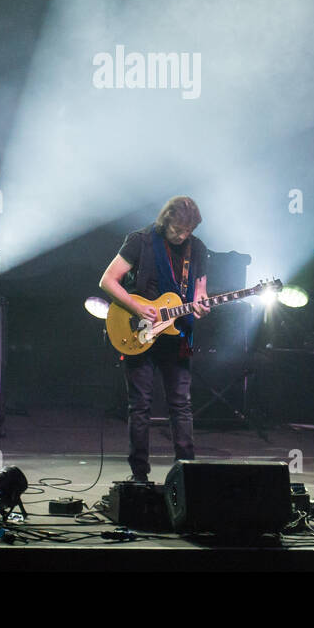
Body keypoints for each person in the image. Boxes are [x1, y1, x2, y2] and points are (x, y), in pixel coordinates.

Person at [100, 196, 210, 483]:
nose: (182, 236)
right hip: (139, 330)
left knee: (181, 405)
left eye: (187, 231)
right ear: (166, 221)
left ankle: (186, 473)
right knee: (140, 406)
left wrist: (201, 303)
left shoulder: (196, 249)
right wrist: (137, 307)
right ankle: (139, 476)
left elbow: (200, 290)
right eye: (177, 230)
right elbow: (108, 280)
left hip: (177, 336)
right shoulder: (141, 241)